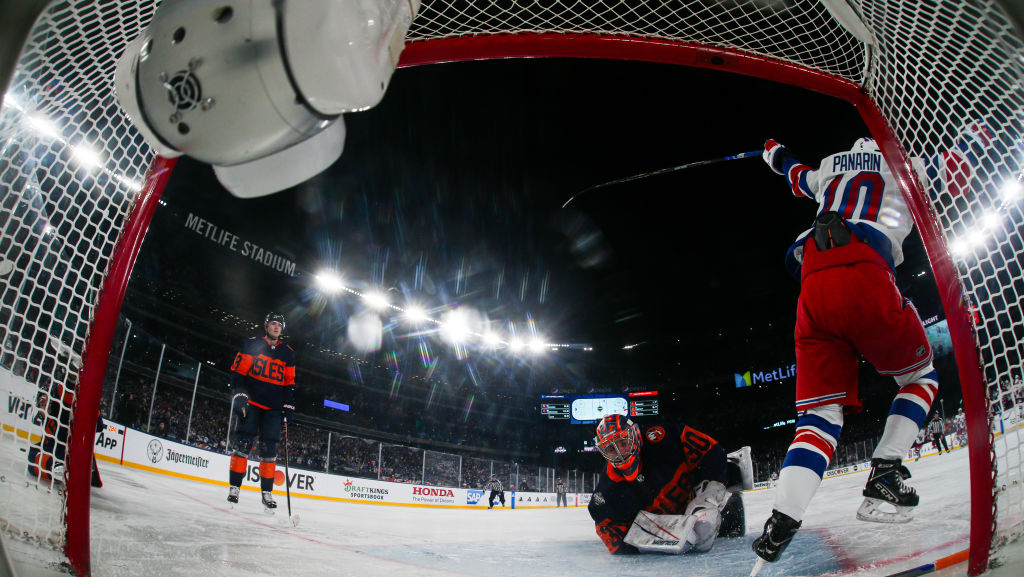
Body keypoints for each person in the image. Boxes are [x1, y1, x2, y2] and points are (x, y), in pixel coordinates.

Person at [752, 137, 957, 567]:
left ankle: (783, 518)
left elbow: (793, 172)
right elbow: (956, 171)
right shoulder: (904, 163)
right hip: (866, 267)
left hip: (813, 279)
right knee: (921, 378)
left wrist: (773, 150)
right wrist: (979, 136)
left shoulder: (829, 165)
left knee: (819, 416)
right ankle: (886, 469)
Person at [587, 414, 746, 555]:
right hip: (666, 524)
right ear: (604, 453)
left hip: (696, 500)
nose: (620, 453)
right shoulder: (606, 493)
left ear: (635, 434)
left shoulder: (665, 437)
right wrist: (652, 540)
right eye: (611, 449)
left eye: (623, 442)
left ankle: (726, 505)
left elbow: (711, 450)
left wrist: (709, 496)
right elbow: (614, 541)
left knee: (729, 516)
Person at [225, 312, 296, 513]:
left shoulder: (288, 353)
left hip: (273, 408)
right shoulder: (252, 345)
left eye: (279, 325)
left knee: (269, 450)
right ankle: (234, 488)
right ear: (266, 326)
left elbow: (289, 383)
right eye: (273, 324)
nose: (276, 327)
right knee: (243, 443)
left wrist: (288, 404)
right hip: (252, 403)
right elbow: (238, 373)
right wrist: (239, 393)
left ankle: (267, 493)